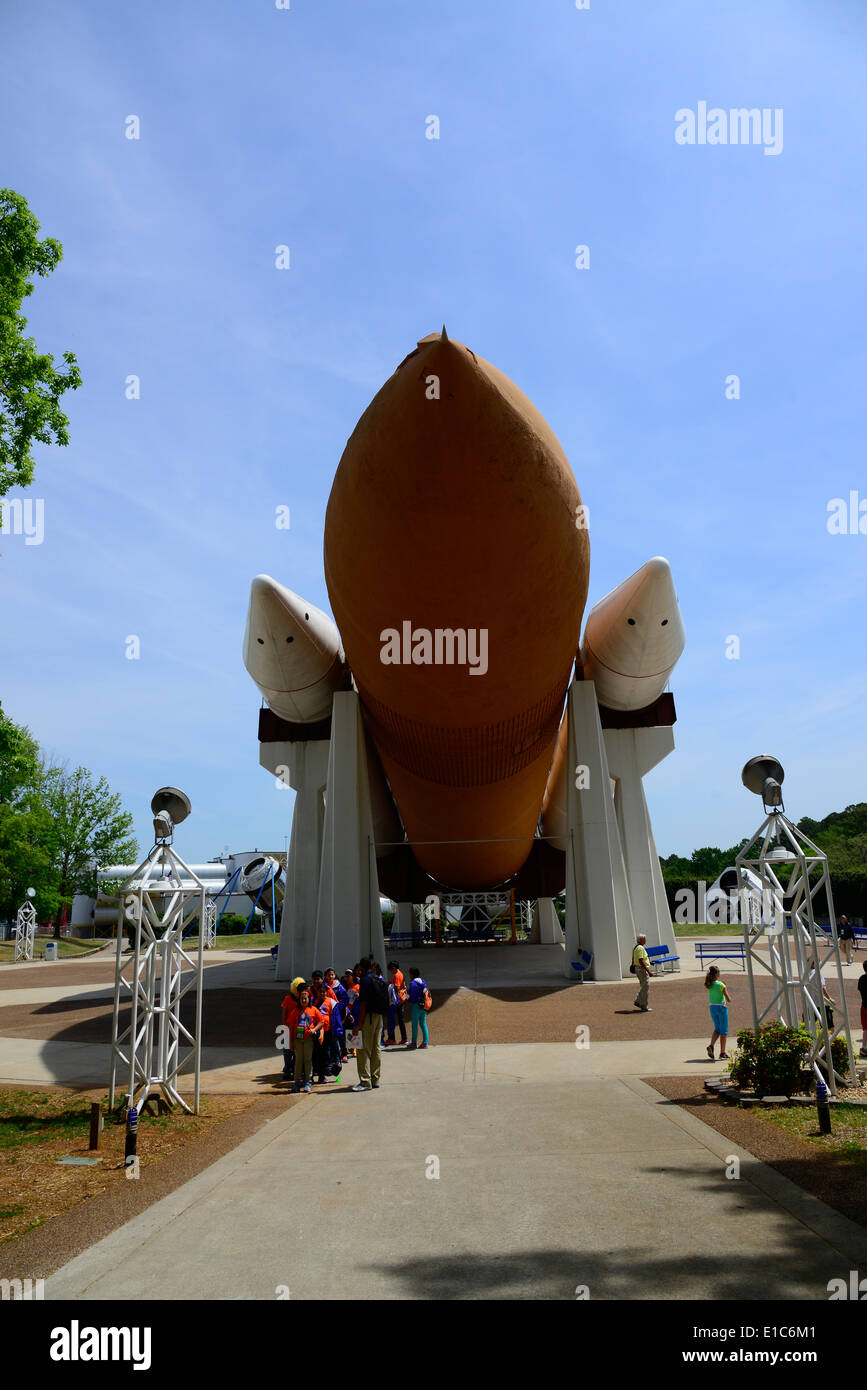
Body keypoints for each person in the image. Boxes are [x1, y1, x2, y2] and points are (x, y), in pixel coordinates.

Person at [352, 959, 388, 1091]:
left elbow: (363, 1004)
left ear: (361, 967)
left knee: (363, 1049)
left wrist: (358, 1025)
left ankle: (365, 1082)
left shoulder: (365, 981)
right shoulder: (376, 978)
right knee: (376, 1048)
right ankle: (375, 1079)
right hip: (379, 1016)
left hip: (369, 1017)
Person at [283, 985, 326, 1093]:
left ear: (309, 999)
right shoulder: (295, 1011)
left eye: (305, 998)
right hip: (297, 1040)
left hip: (308, 1040)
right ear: (299, 1000)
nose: (303, 1000)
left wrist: (315, 1030)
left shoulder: (313, 1010)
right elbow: (291, 1027)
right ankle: (296, 1082)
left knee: (307, 1060)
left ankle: (308, 1081)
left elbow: (322, 1021)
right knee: (298, 1061)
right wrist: (291, 1042)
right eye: (301, 998)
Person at [313, 981, 341, 1083]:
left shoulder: (331, 1002)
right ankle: (319, 1075)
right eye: (320, 992)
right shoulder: (313, 1002)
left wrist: (338, 1032)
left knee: (326, 1053)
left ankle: (325, 1073)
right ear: (317, 992)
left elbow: (336, 1017)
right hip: (317, 1032)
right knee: (318, 1054)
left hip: (328, 1032)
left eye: (324, 992)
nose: (322, 994)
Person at [704, 966, 732, 1060]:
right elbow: (729, 999)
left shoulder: (709, 984)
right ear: (717, 974)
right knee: (724, 1031)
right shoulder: (721, 984)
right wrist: (725, 986)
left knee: (717, 1029)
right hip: (721, 1008)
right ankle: (722, 1052)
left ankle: (711, 1045)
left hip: (712, 1008)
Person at [384, 960, 408, 1046]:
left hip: (397, 1000)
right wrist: (390, 982)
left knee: (393, 1019)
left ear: (394, 968)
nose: (390, 971)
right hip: (402, 999)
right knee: (401, 1020)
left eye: (391, 970)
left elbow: (396, 988)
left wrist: (389, 986)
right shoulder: (399, 973)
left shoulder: (397, 975)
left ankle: (392, 1038)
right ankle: (404, 1038)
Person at [406, 967, 430, 1049]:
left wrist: (407, 998)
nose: (409, 975)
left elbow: (413, 997)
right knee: (423, 1024)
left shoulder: (413, 983)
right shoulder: (422, 981)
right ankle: (425, 1043)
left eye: (410, 973)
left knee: (414, 1025)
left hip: (416, 1006)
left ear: (412, 974)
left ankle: (414, 1043)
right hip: (424, 1005)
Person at [632, 935, 653, 1012]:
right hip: (641, 969)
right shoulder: (640, 948)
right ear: (641, 940)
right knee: (646, 987)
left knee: (644, 986)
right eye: (644, 939)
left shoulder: (636, 946)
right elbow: (641, 960)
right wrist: (648, 971)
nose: (645, 940)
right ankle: (643, 1005)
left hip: (638, 968)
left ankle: (639, 1001)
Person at [858, 960, 867, 1059]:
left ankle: (864, 1047)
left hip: (864, 1005)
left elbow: (860, 991)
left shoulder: (862, 978)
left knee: (865, 1028)